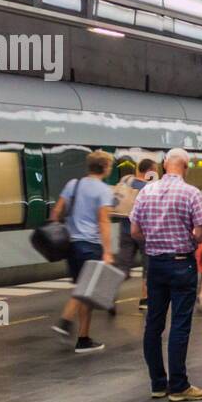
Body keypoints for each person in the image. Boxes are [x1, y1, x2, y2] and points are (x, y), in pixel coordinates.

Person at [130, 148, 202, 402]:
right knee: (179, 324)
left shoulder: (146, 192)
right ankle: (178, 386)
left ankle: (158, 384)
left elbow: (134, 232)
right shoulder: (191, 193)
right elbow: (201, 233)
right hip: (181, 264)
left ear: (165, 165)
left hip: (155, 265)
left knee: (153, 326)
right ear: (185, 167)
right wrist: (190, 239)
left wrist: (153, 241)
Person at [51, 150, 116, 352]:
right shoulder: (104, 190)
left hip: (72, 245)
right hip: (90, 245)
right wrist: (108, 251)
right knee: (85, 289)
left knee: (86, 292)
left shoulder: (73, 184)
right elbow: (103, 221)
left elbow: (56, 212)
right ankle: (65, 321)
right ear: (105, 167)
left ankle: (84, 339)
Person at [113, 157, 156, 311]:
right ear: (150, 171)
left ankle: (109, 296)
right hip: (144, 232)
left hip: (125, 229)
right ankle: (145, 299)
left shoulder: (126, 181)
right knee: (148, 266)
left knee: (122, 266)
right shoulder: (150, 187)